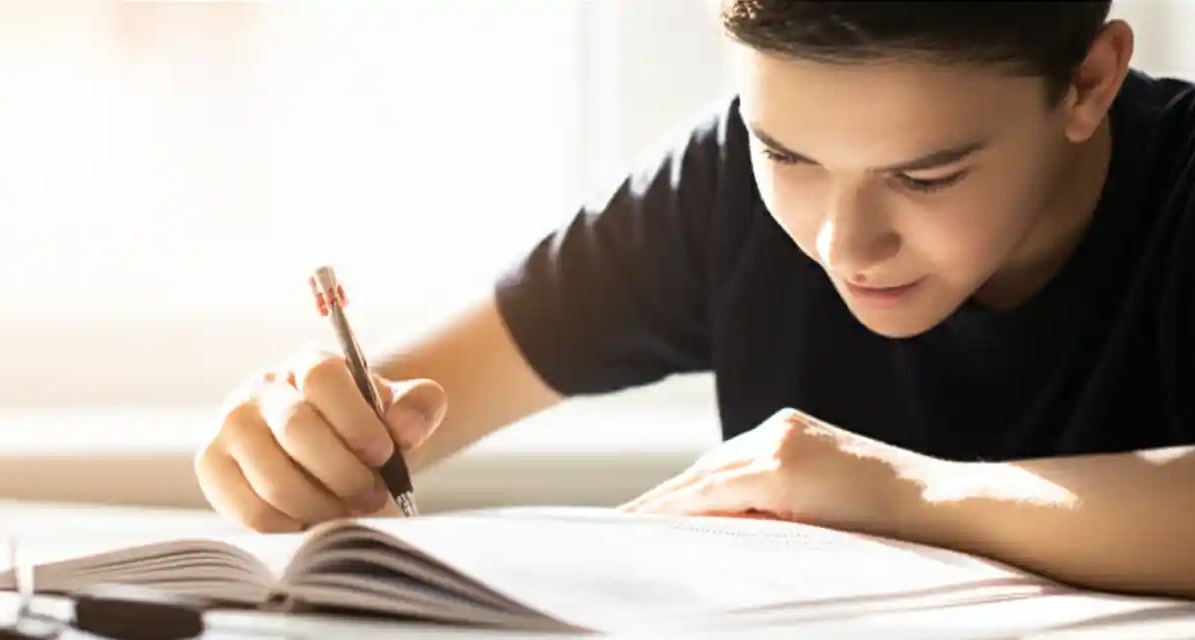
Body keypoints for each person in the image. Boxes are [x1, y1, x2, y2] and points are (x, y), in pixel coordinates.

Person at [194, 1, 1195, 599]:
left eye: (924, 178)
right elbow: (401, 405)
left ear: (1087, 83)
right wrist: (301, 439)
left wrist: (895, 493)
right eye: (786, 153)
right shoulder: (717, 188)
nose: (843, 244)